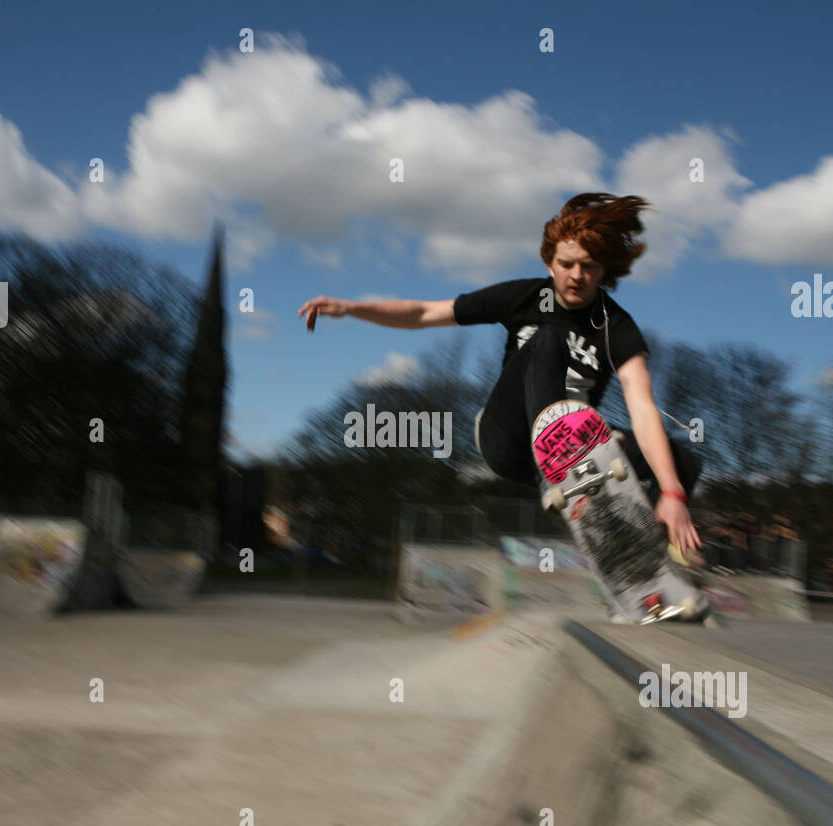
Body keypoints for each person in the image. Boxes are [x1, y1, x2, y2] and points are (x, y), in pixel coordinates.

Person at [298, 192, 703, 557]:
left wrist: (671, 491)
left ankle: (645, 552)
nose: (576, 276)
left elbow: (642, 406)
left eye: (588, 266)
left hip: (578, 449)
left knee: (681, 461)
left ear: (603, 270)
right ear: (550, 262)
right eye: (566, 265)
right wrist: (353, 308)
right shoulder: (523, 297)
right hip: (506, 436)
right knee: (550, 341)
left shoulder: (617, 326)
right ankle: (560, 463)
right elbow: (424, 313)